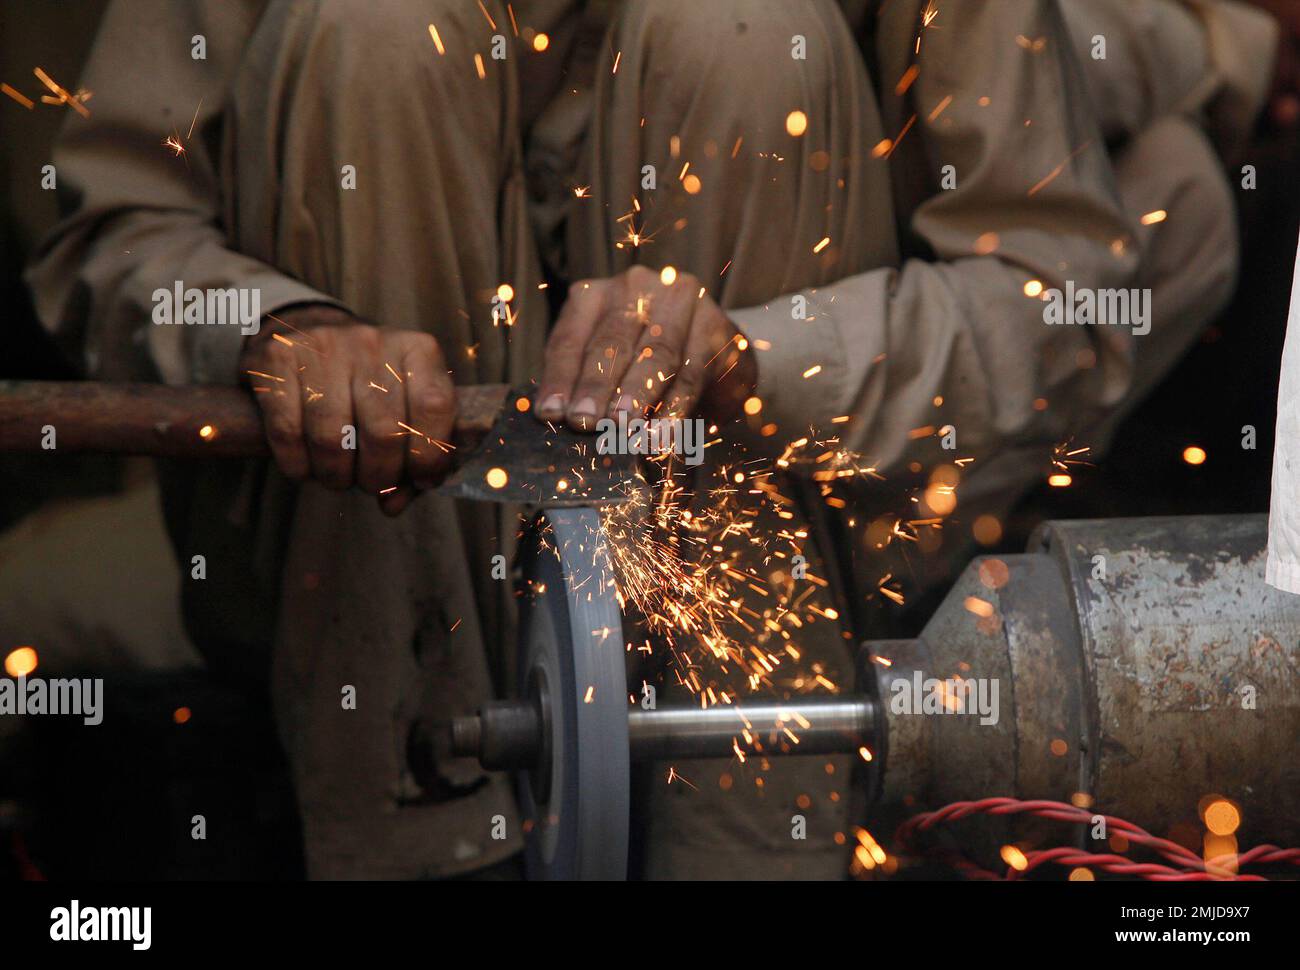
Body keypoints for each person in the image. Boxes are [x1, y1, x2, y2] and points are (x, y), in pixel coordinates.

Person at [26, 0, 1275, 879]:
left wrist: (760, 359)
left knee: (735, 34)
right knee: (371, 28)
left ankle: (747, 832)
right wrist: (274, 328)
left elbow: (1060, 302)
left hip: (793, 571)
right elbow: (110, 235)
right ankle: (414, 833)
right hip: (331, 583)